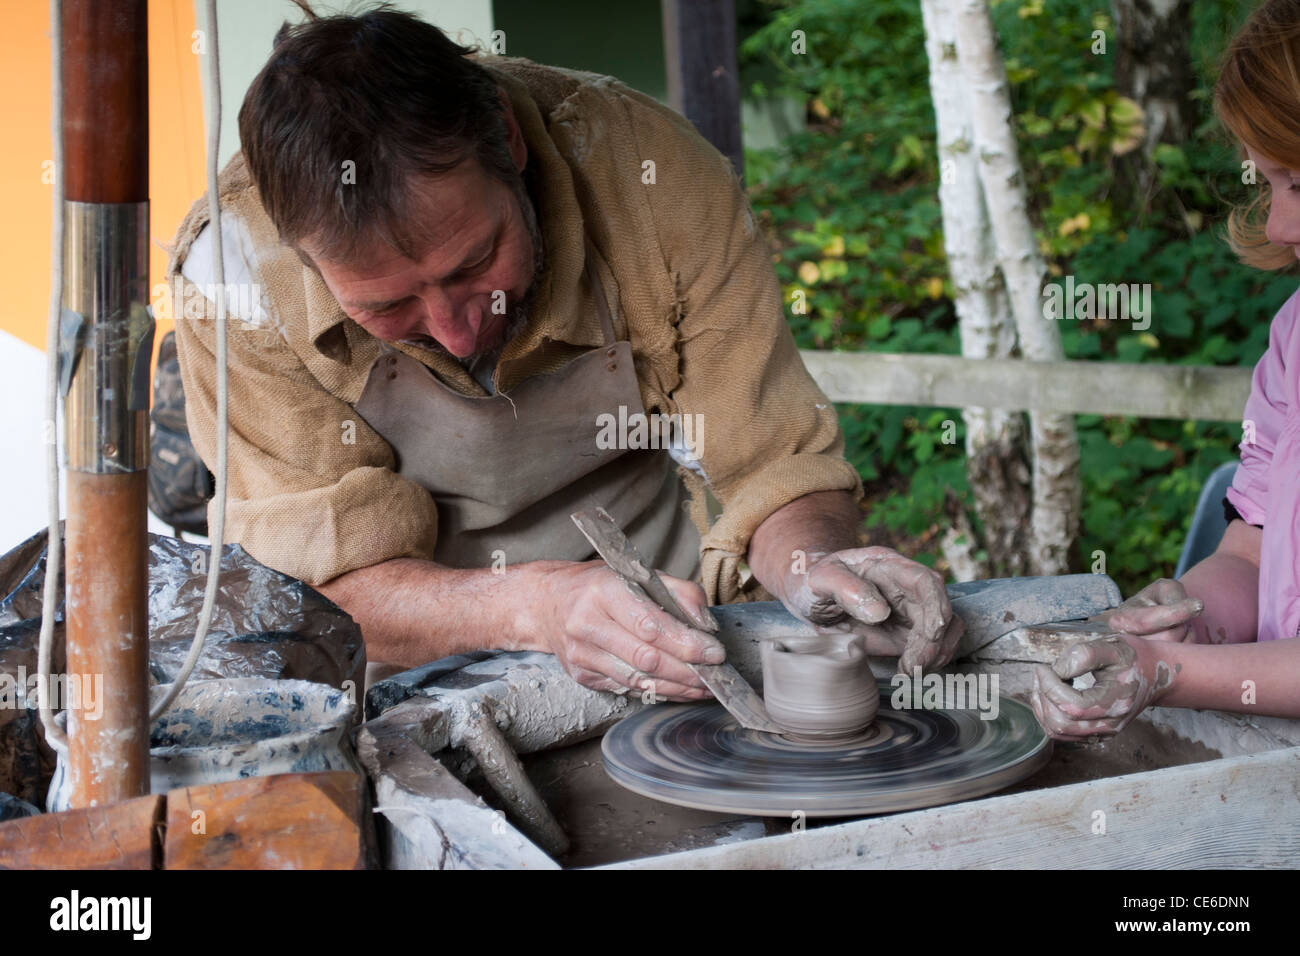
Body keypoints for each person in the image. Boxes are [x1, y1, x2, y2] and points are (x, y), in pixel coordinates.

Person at [168, 5, 964, 696]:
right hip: (413, 676)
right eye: (388, 305)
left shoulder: (653, 180)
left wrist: (815, 567)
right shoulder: (233, 279)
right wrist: (535, 609)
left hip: (681, 635)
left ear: (508, 141)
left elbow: (774, 466)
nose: (454, 329)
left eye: (476, 264)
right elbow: (312, 593)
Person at [1032, 0, 1300, 739]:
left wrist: (1168, 673)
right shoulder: (1294, 337)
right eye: (1268, 185)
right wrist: (1183, 616)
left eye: (1298, 185)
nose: (1277, 226)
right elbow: (1249, 550)